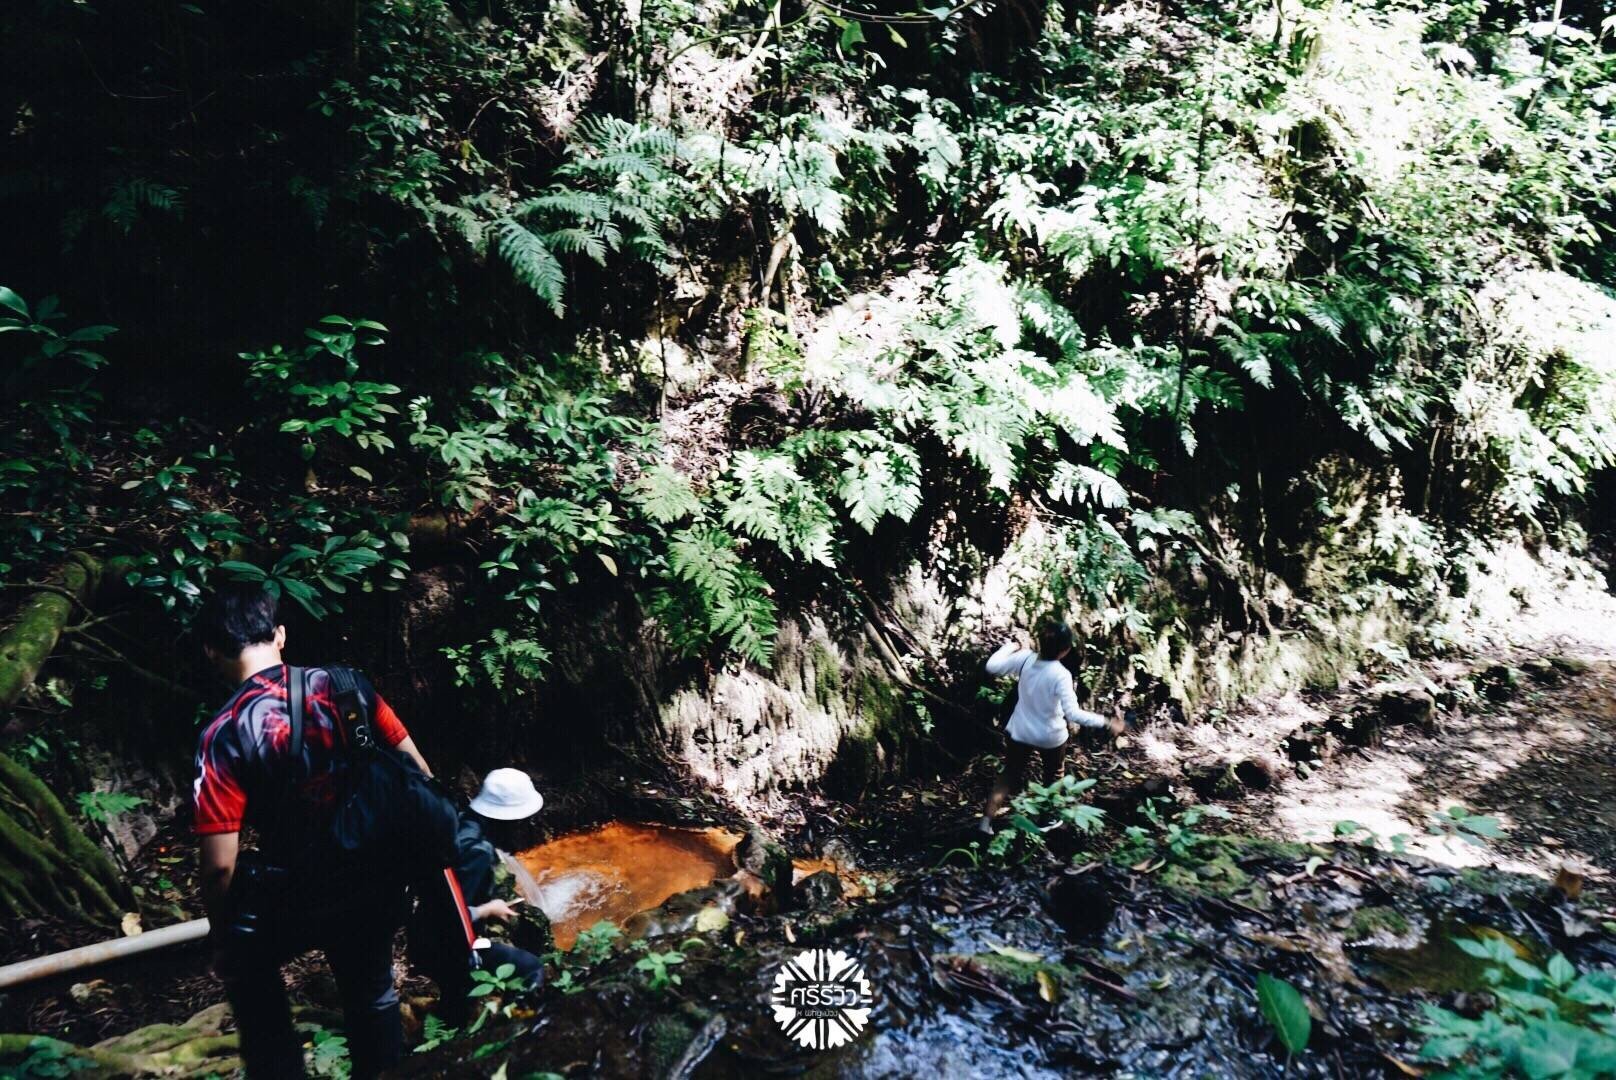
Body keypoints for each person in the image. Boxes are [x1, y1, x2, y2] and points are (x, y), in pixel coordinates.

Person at [191, 583, 432, 1078]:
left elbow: (219, 867)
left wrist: (224, 940)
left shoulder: (225, 733)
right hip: (373, 877)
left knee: (254, 985)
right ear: (279, 635)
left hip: (297, 892)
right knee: (372, 994)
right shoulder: (346, 686)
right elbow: (419, 776)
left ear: (211, 650)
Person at [408, 768, 547, 1026]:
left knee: (457, 1006)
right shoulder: (476, 852)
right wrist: (488, 909)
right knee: (531, 968)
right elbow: (450, 919)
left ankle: (450, 1026)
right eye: (521, 821)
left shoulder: (460, 824)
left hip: (423, 938)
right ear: (509, 819)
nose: (524, 826)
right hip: (453, 949)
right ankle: (519, 1027)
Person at [978, 618, 1123, 835]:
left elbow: (992, 667)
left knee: (1008, 775)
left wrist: (1010, 647)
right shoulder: (1061, 675)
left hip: (1020, 732)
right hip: (1050, 737)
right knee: (1054, 775)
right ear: (1065, 651)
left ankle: (985, 823)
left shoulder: (1026, 659)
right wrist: (1106, 721)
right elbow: (1073, 714)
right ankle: (1047, 821)